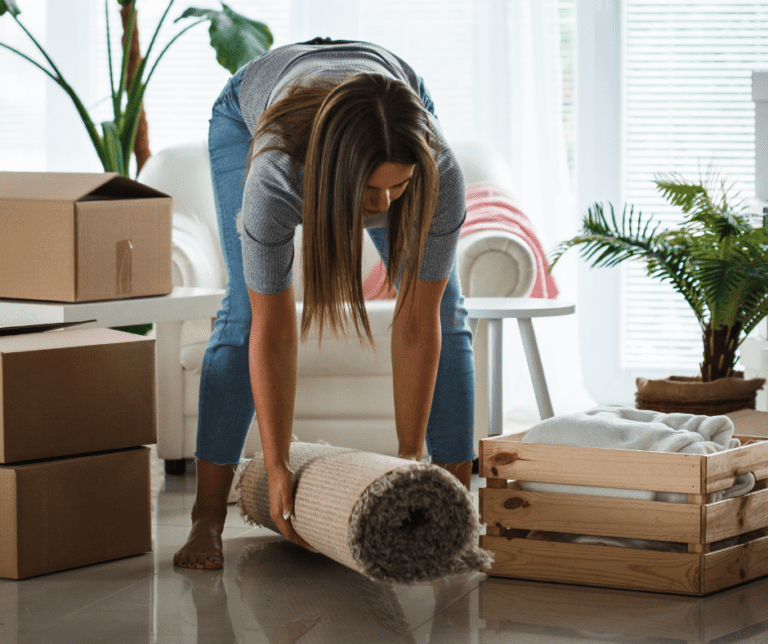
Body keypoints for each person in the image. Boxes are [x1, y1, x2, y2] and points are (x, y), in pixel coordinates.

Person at [174, 38, 475, 570]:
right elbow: (274, 329)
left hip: (390, 86)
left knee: (445, 310)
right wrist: (276, 465)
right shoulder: (278, 175)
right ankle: (205, 518)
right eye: (369, 194)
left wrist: (407, 465)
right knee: (243, 314)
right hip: (248, 112)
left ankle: (450, 511)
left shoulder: (439, 174)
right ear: (334, 178)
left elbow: (417, 322)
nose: (384, 208)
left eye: (397, 187)